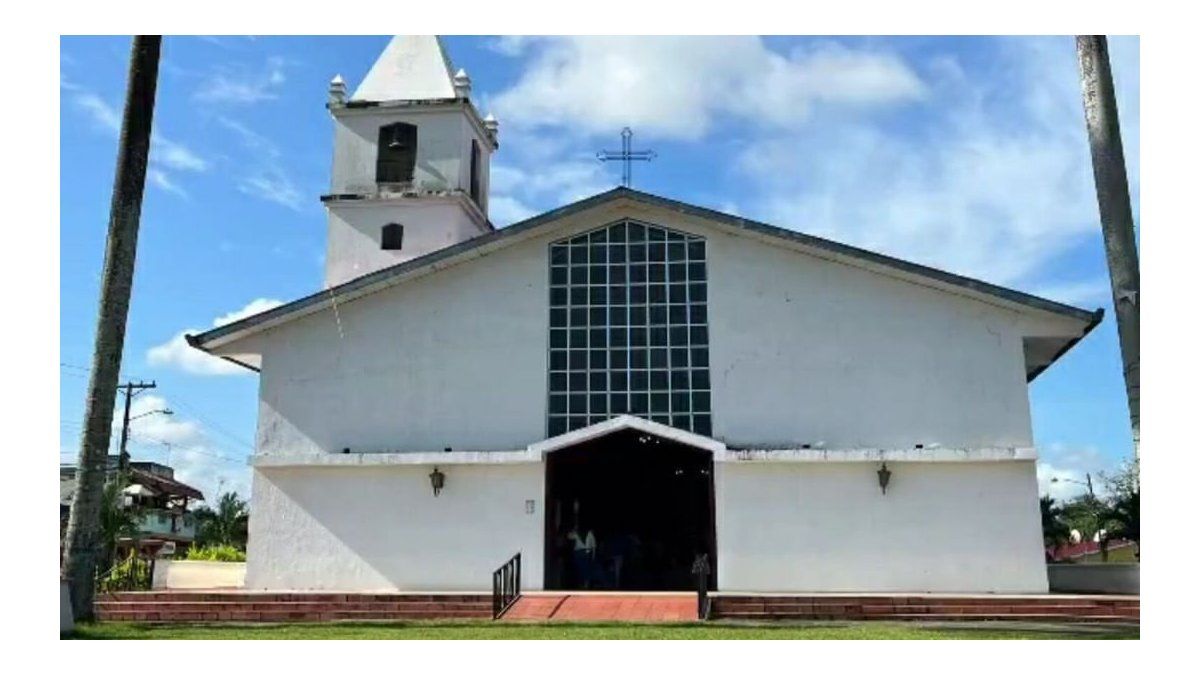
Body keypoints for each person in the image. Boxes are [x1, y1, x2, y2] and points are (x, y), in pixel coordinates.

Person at [567, 524, 597, 589]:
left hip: (583, 552)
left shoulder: (585, 533)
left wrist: (593, 556)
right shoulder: (580, 533)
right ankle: (584, 583)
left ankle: (584, 584)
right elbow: (594, 546)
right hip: (583, 552)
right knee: (583, 569)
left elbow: (593, 546)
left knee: (583, 569)